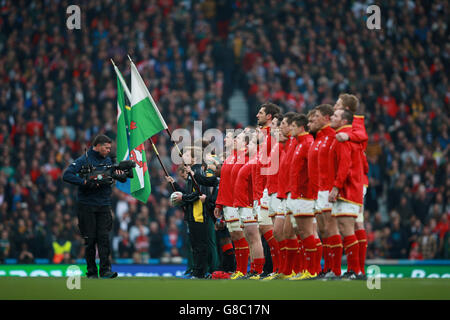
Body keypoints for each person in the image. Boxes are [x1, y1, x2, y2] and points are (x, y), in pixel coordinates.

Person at [62, 134, 127, 279]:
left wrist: (120, 175)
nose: (109, 150)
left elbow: (116, 176)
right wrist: (85, 182)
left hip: (104, 204)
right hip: (87, 205)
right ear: (96, 146)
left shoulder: (110, 160)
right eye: (106, 147)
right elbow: (67, 175)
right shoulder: (84, 160)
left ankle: (105, 270)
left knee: (104, 239)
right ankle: (91, 272)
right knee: (90, 240)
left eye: (110, 148)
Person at [334, 93, 369, 278]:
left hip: (355, 180)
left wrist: (345, 136)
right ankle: (357, 269)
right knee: (354, 224)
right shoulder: (342, 127)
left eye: (337, 103)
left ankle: (358, 269)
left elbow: (361, 134)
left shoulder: (355, 124)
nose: (334, 105)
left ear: (346, 109)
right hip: (356, 178)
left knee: (355, 223)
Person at [328, 109, 364, 279]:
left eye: (335, 116)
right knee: (345, 229)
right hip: (350, 188)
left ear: (343, 121)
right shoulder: (348, 135)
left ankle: (355, 271)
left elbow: (344, 164)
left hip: (347, 190)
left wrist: (336, 187)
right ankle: (353, 270)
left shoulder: (343, 137)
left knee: (347, 229)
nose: (331, 118)